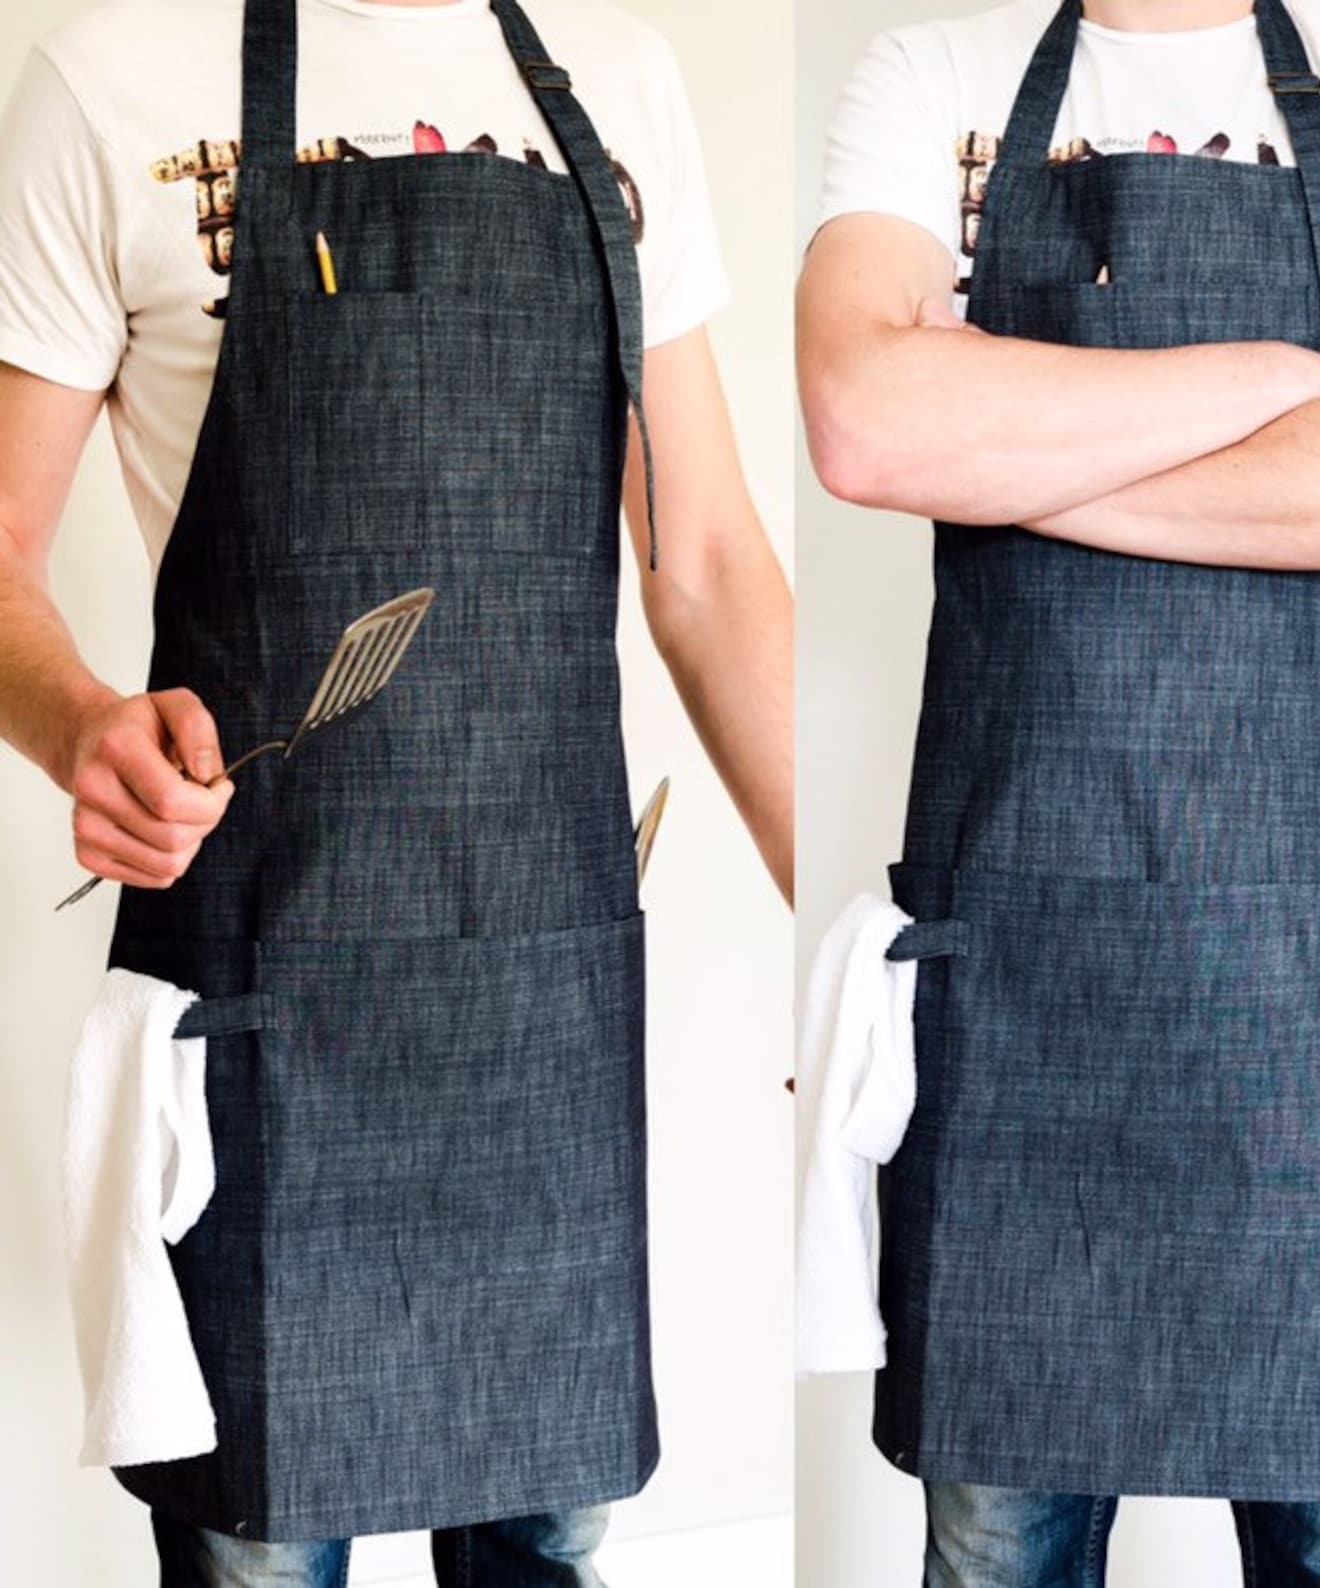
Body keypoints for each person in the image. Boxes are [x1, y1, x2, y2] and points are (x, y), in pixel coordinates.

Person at [0, 0, 791, 1584]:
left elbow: (700, 565)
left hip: (542, 1001)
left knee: (548, 1537)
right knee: (263, 1549)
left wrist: (820, 885)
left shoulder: (615, 77)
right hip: (267, 1002)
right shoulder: (111, 74)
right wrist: (78, 720)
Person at [797, 0, 1320, 1584]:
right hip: (1016, 983)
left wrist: (1019, 453)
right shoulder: (932, 72)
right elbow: (869, 424)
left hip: (1307, 987)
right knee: (1002, 1541)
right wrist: (1289, 383)